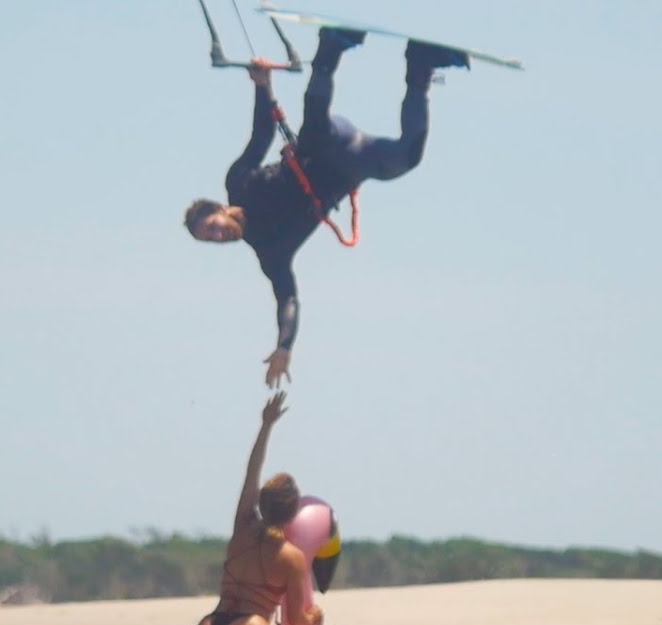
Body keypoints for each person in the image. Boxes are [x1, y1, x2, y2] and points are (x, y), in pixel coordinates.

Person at [184, 29, 471, 388]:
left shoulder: (238, 183)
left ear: (219, 208)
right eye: (211, 239)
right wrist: (284, 346)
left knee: (315, 126)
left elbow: (261, 137)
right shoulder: (269, 252)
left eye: (211, 226)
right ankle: (421, 64)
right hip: (356, 166)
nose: (218, 235)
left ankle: (331, 46)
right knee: (407, 157)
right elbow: (287, 299)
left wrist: (262, 85)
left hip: (325, 145)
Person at [190, 391, 326, 625]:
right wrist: (314, 619)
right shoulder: (292, 557)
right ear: (292, 514)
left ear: (262, 504)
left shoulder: (242, 527)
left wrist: (266, 425)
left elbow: (251, 472)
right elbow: (296, 620)